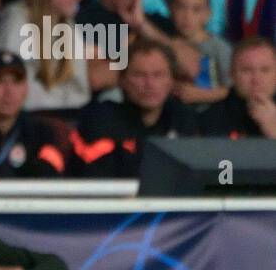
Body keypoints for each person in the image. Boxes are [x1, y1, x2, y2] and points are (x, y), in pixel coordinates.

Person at [70, 40, 197, 177]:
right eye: (139, 75)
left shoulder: (183, 119)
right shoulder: (100, 120)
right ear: (122, 80)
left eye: (158, 75)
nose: (150, 84)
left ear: (171, 81)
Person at [75, 0, 180, 96]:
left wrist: (142, 26)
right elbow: (96, 78)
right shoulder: (82, 22)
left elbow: (192, 66)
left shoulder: (155, 23)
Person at [0, 0, 91, 112]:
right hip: (26, 117)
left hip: (67, 114)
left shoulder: (69, 25)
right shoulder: (17, 19)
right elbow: (12, 84)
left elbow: (80, 89)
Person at [168, 0, 231, 105]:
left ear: (207, 14)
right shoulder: (166, 44)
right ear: (171, 9)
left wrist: (202, 95)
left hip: (212, 113)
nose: (187, 16)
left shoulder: (219, 48)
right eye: (181, 7)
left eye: (196, 9)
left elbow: (231, 89)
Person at [199, 37, 276, 139]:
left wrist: (274, 130)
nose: (256, 80)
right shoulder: (210, 117)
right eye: (247, 70)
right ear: (231, 74)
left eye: (265, 70)